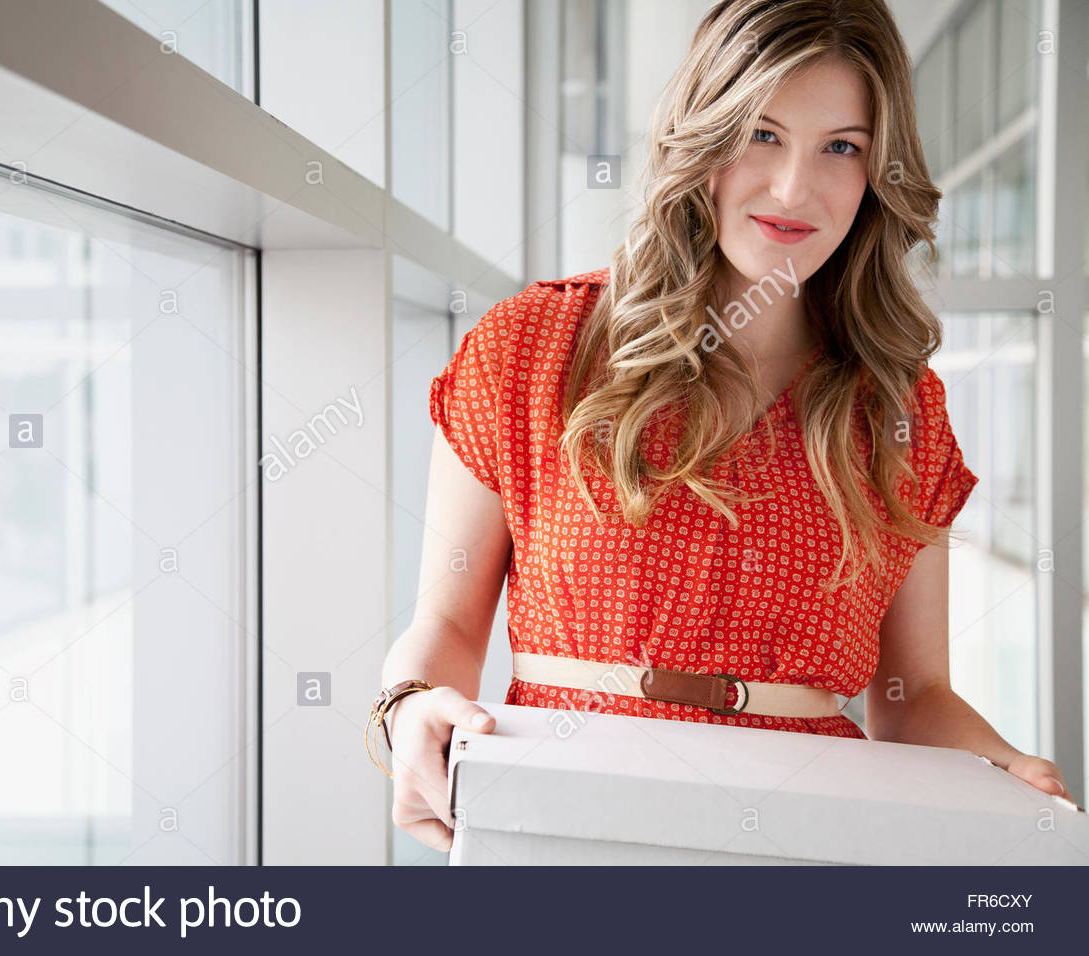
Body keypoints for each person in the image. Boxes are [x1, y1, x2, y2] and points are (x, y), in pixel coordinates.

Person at [374, 0, 1072, 855]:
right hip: (565, 819)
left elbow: (914, 692)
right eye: (761, 133)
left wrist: (999, 765)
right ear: (701, 135)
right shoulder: (535, 346)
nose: (793, 189)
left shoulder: (900, 406)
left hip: (810, 843)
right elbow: (444, 628)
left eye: (841, 147)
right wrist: (408, 708)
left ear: (877, 171)